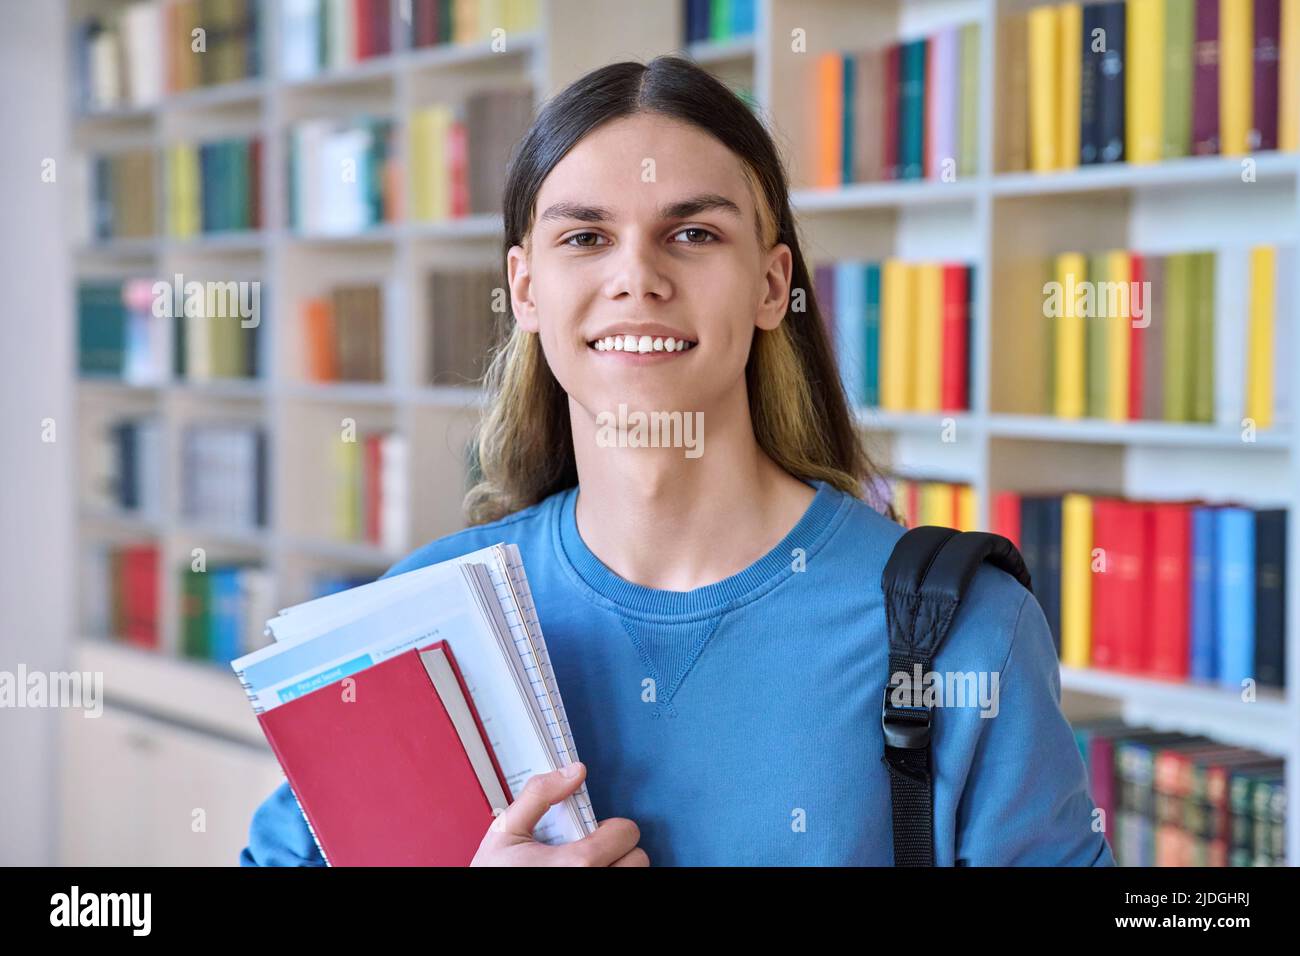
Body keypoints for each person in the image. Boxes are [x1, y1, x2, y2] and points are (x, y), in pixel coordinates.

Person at [240, 55, 1114, 867]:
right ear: (526, 288)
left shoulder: (966, 633)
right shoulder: (415, 628)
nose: (638, 278)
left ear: (773, 286)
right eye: (584, 238)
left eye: (692, 234)